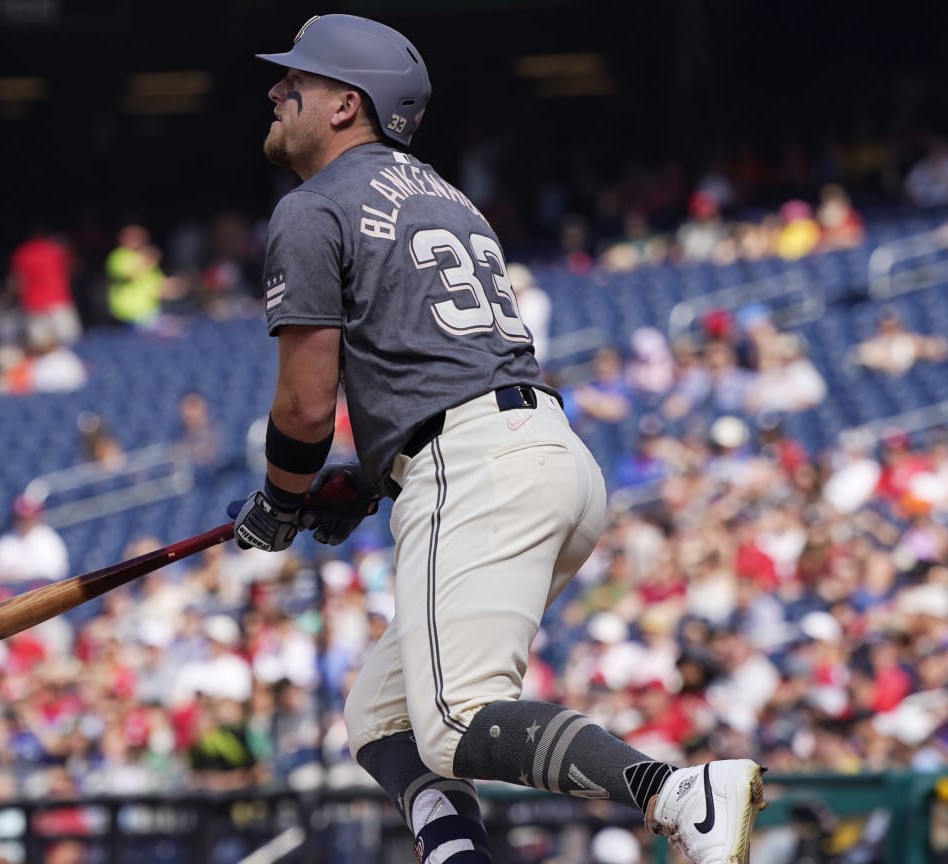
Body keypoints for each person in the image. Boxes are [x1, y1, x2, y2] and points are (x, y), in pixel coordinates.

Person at [228, 15, 764, 864]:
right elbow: (429, 366)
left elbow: (302, 408)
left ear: (344, 105)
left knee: (453, 721)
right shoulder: (445, 195)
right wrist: (364, 478)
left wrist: (280, 501)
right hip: (539, 451)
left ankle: (674, 792)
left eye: (297, 78)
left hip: (474, 462)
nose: (275, 89)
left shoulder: (313, 204)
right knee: (380, 711)